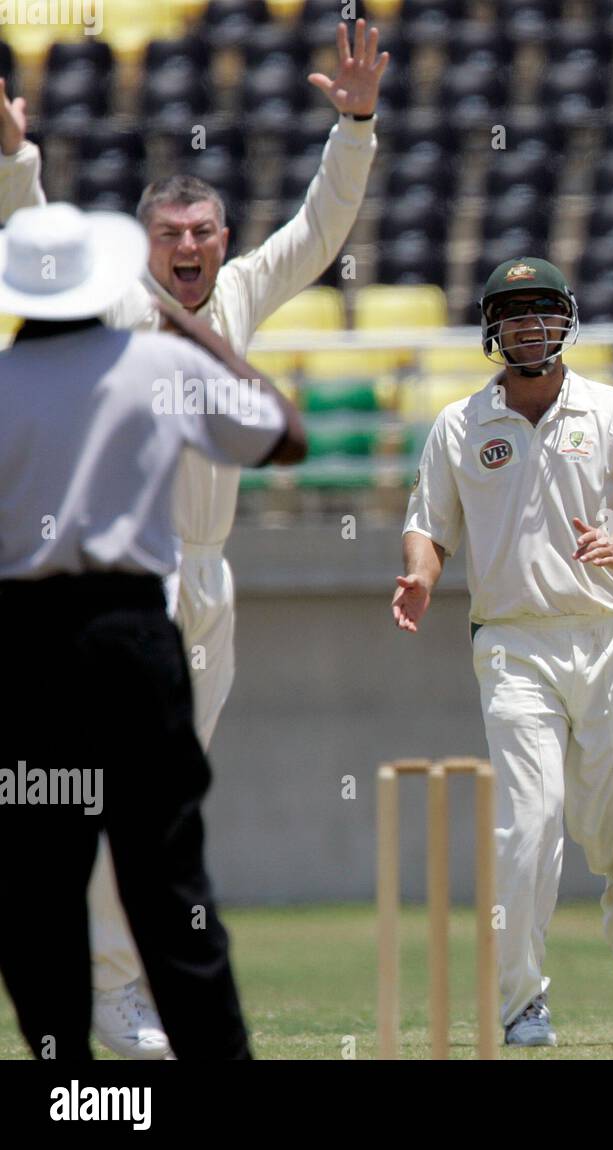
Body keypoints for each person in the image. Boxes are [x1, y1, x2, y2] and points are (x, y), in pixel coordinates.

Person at [0, 19, 386, 1056]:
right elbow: (35, 233)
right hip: (136, 580)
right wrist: (14, 157)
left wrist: (355, 122)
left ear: (222, 238)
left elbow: (322, 224)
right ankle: (118, 996)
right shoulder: (121, 307)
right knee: (94, 816)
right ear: (144, 242)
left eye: (203, 233)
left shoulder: (246, 292)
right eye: (171, 233)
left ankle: (125, 990)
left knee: (170, 811)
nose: (188, 248)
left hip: (212, 580)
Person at [0, 202, 306, 1060]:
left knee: (37, 878)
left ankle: (68, 1081)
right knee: (166, 869)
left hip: (25, 648)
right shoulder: (150, 364)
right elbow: (285, 436)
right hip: (131, 635)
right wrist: (201, 337)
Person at [393, 257, 613, 1048]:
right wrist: (421, 576)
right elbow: (428, 523)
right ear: (493, 329)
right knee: (528, 828)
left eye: (543, 309)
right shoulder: (460, 425)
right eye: (513, 312)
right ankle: (522, 1000)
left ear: (568, 318)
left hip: (608, 639)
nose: (529, 324)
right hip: (514, 647)